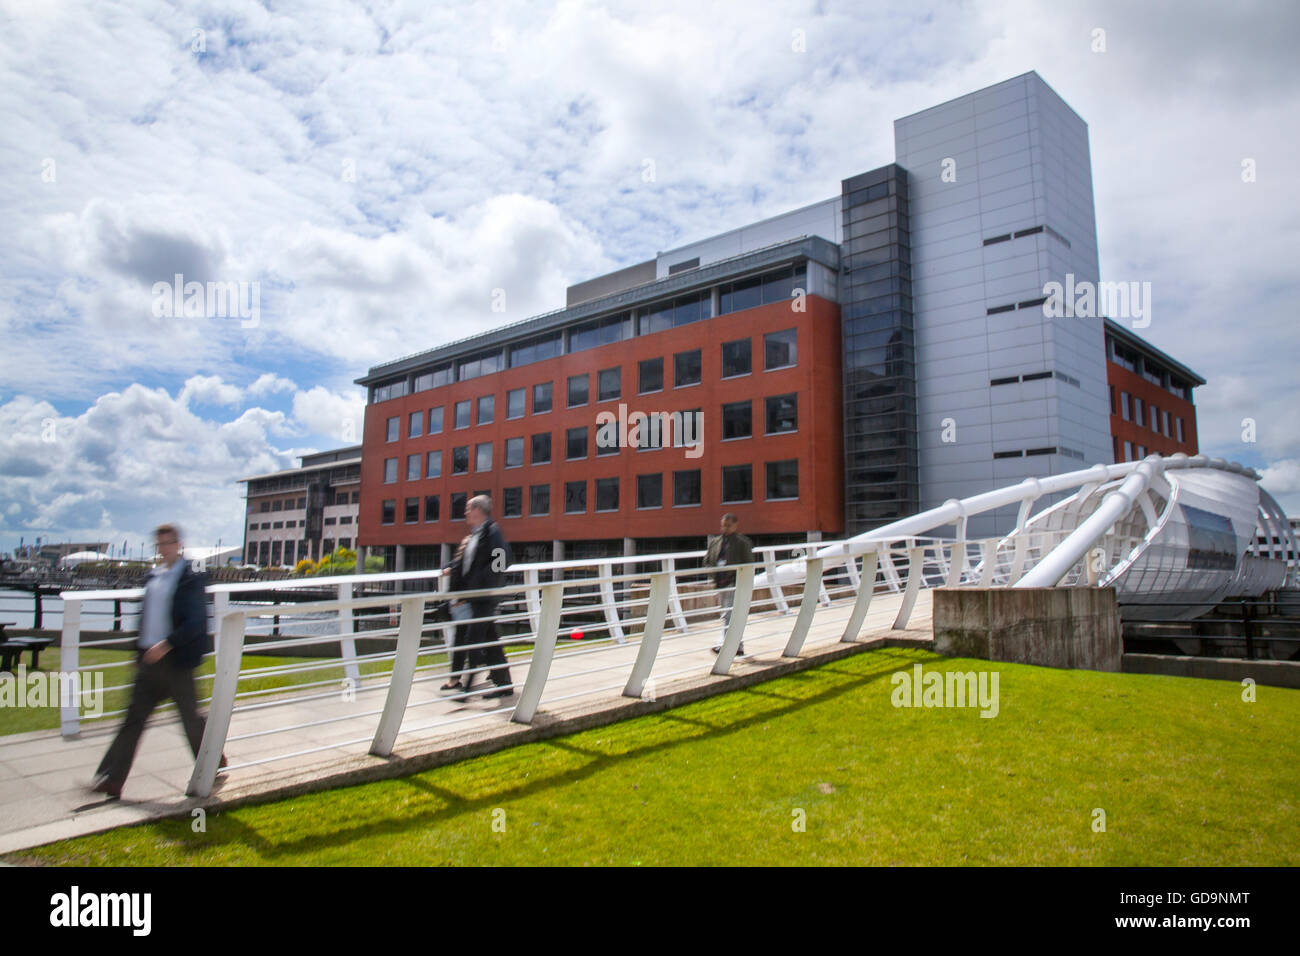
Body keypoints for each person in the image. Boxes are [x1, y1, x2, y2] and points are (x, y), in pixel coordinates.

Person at [91, 523, 223, 798]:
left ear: (179, 545)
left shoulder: (190, 575)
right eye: (159, 545)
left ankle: (213, 761)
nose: (163, 549)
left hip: (176, 661)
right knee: (133, 719)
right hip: (150, 661)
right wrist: (137, 652)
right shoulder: (155, 576)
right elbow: (146, 618)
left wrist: (167, 645)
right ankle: (112, 780)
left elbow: (197, 621)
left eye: (168, 543)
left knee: (190, 718)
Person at [445, 495, 514, 699]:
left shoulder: (492, 531)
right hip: (475, 597)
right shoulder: (477, 534)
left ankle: (467, 687)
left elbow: (503, 559)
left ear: (477, 510)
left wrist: (487, 583)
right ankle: (504, 685)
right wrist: (449, 569)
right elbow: (470, 564)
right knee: (491, 642)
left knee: (474, 640)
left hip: (482, 598)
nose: (465, 512)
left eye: (468, 508)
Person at [707, 513, 754, 657]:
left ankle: (726, 646)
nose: (725, 528)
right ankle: (738, 647)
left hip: (734, 583)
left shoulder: (742, 542)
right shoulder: (715, 542)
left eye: (728, 525)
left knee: (729, 615)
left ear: (735, 525)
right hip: (720, 583)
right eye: (723, 525)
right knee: (727, 614)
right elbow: (708, 560)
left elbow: (748, 563)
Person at [439, 534, 474, 695]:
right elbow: (451, 567)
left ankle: (455, 680)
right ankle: (496, 671)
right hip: (462, 606)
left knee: (462, 642)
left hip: (467, 605)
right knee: (473, 640)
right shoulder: (461, 560)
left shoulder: (470, 560)